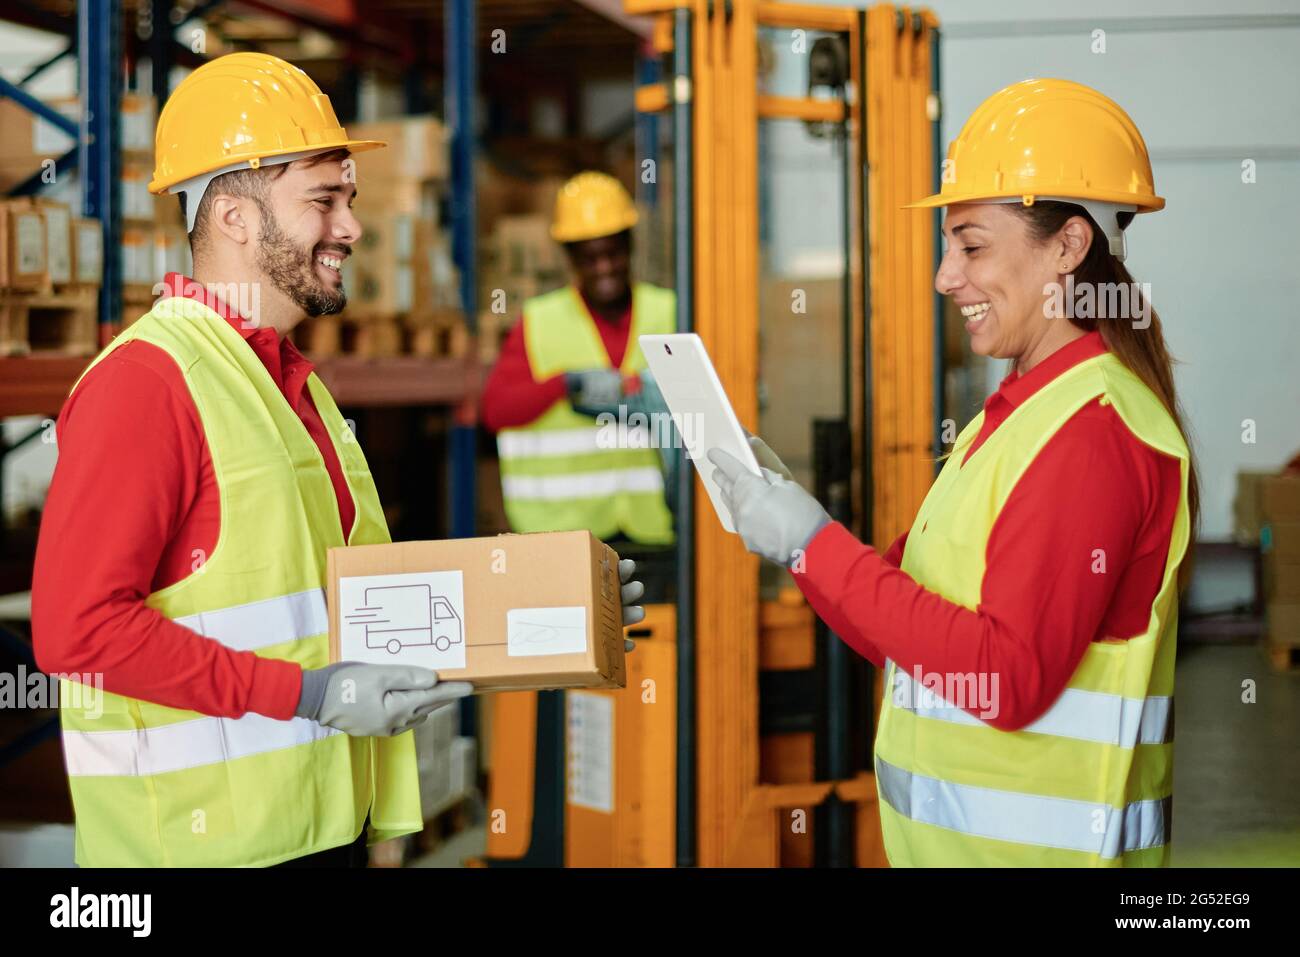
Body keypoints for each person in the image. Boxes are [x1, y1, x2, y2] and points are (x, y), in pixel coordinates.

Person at [31, 52, 646, 867]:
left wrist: (563, 610)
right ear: (234, 217)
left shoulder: (294, 386)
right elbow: (76, 632)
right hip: (207, 852)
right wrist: (309, 695)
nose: (352, 228)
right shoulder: (146, 384)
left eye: (350, 199)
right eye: (324, 200)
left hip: (325, 829)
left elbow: (355, 604)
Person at [709, 78, 1198, 867]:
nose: (945, 277)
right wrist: (799, 537)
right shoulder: (1012, 417)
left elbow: (1005, 680)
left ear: (1070, 246)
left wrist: (814, 544)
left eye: (971, 246)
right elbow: (901, 626)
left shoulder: (1092, 435)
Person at [482, 171, 676, 547]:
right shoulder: (540, 320)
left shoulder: (670, 311)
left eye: (613, 253)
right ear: (570, 258)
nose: (604, 267)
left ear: (630, 247)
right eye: (590, 258)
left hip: (656, 525)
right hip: (564, 532)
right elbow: (496, 411)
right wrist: (563, 384)